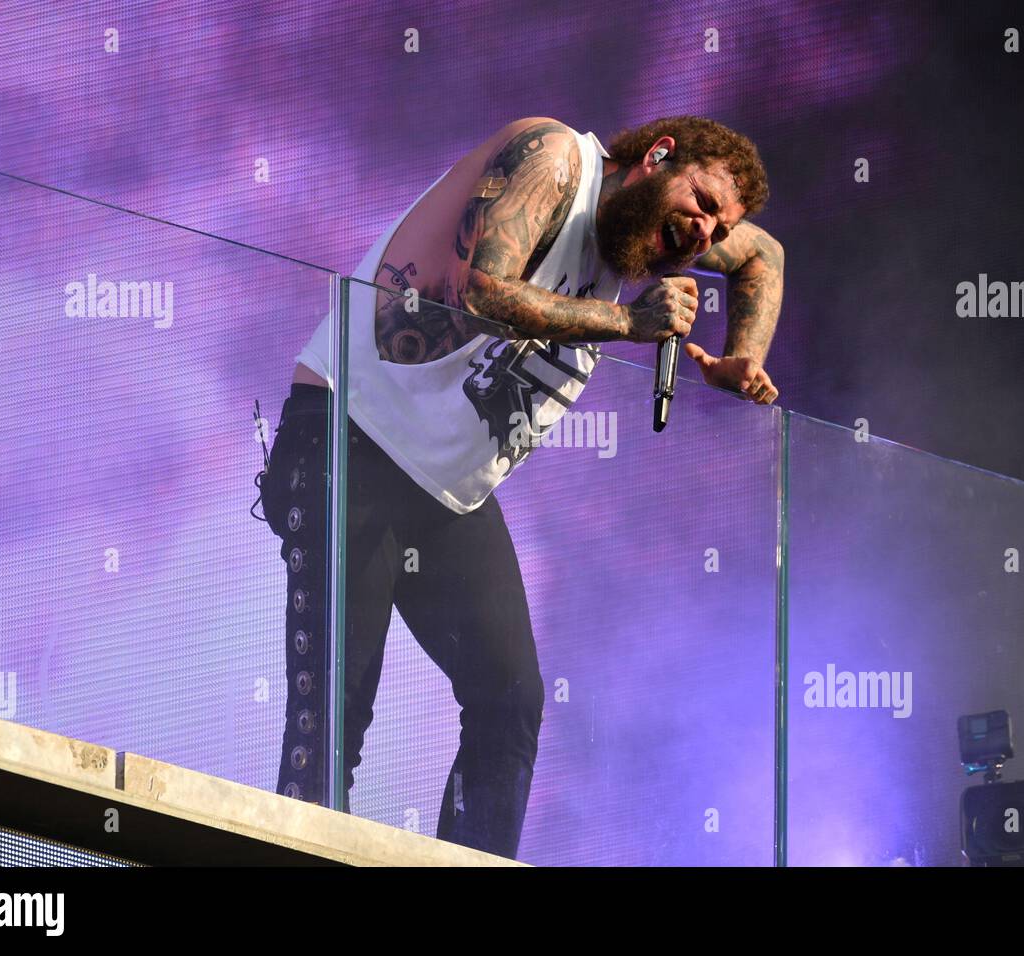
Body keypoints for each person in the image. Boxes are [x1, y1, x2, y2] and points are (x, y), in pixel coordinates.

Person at [258, 115, 786, 859]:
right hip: (351, 437)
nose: (704, 234)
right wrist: (625, 322)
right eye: (699, 203)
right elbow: (478, 289)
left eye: (715, 226)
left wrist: (742, 355)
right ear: (656, 158)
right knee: (336, 707)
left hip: (447, 493)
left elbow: (764, 251)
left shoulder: (653, 234)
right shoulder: (556, 158)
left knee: (511, 703)